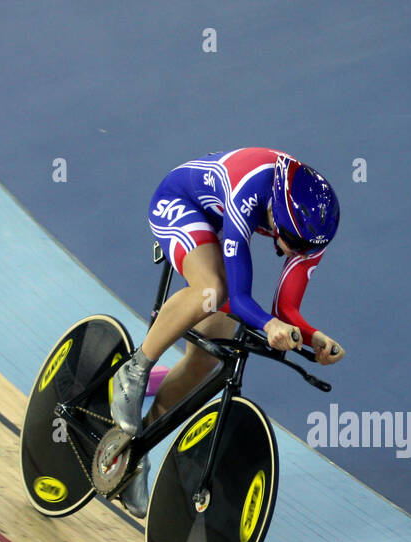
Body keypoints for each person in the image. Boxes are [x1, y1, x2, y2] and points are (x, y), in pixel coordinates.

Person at [109, 148, 345, 517]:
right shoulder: (250, 188)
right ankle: (135, 370)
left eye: (304, 248)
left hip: (221, 227)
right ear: (274, 212)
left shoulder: (310, 231)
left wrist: (312, 337)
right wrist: (269, 326)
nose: (294, 252)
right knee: (211, 290)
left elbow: (286, 310)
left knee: (206, 362)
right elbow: (237, 296)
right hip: (182, 204)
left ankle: (137, 448)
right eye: (291, 242)